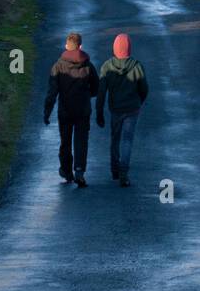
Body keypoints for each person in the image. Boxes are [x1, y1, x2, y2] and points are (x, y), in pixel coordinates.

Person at [43, 32, 99, 188]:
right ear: (80, 46)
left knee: (65, 142)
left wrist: (47, 112)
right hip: (82, 110)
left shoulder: (58, 66)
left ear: (67, 46)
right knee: (81, 141)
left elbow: (52, 92)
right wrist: (88, 95)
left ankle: (67, 171)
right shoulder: (88, 65)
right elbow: (96, 87)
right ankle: (79, 171)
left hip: (65, 111)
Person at [96, 33, 149, 187]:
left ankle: (114, 169)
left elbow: (101, 93)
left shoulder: (107, 67)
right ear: (129, 48)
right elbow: (144, 88)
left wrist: (99, 112)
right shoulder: (137, 66)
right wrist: (140, 101)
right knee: (127, 140)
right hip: (132, 108)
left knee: (115, 138)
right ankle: (124, 172)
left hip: (115, 109)